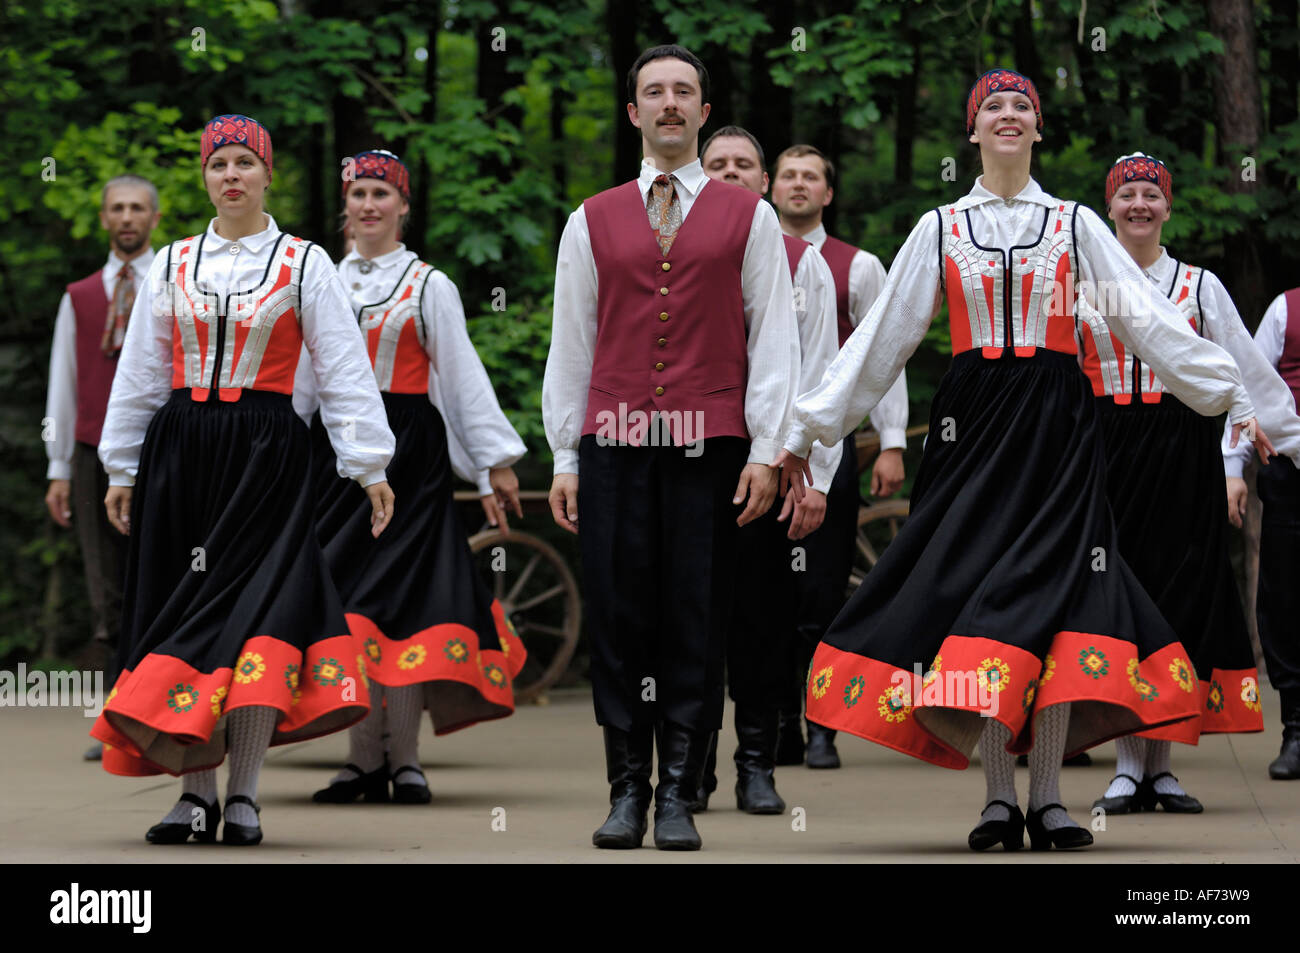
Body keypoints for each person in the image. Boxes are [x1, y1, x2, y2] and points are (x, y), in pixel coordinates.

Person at [775, 69, 1273, 851]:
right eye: (992, 108)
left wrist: (1233, 397)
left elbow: (1146, 321)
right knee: (978, 601)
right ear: (973, 131)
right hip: (972, 427)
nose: (1008, 116)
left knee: (1060, 605)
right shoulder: (941, 226)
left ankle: (1049, 798)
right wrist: (805, 431)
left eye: (1022, 108)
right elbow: (879, 344)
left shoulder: (1075, 222)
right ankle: (998, 798)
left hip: (1059, 427)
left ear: (1037, 131)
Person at [90, 114, 396, 846]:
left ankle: (247, 792)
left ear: (267, 174)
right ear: (204, 177)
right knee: (186, 611)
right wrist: (122, 464)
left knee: (258, 617)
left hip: (266, 456)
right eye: (217, 163)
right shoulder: (170, 263)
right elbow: (141, 370)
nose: (231, 175)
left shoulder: (304, 262)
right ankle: (196, 796)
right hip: (183, 452)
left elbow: (343, 365)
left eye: (244, 163)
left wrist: (367, 463)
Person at [543, 44, 799, 850]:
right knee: (621, 618)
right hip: (615, 444)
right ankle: (626, 789)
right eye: (654, 92)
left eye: (684, 91)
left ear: (700, 108)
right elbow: (572, 344)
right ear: (634, 113)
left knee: (694, 616)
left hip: (711, 447)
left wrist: (768, 449)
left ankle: (680, 792)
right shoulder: (591, 218)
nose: (669, 104)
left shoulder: (749, 215)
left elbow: (776, 340)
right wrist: (564, 456)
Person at [304, 149, 527, 805]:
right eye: (359, 193)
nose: (369, 204)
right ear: (344, 206)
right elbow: (299, 383)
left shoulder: (430, 285)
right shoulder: (316, 281)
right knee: (346, 605)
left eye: (381, 193)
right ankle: (360, 759)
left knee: (400, 606)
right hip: (335, 454)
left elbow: (459, 379)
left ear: (403, 205)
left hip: (410, 455)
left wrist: (492, 464)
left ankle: (403, 759)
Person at [1080, 153, 1300, 812]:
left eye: (1151, 194)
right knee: (1118, 599)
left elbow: (1242, 364)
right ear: (1109, 208)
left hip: (1182, 449)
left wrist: (1277, 431)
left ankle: (1164, 765)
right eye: (1128, 196)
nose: (1140, 205)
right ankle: (1125, 764)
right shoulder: (1083, 280)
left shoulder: (1200, 285)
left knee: (1178, 598)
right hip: (1107, 445)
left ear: (1167, 208)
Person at [694, 125, 841, 813]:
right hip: (691, 454)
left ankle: (758, 762)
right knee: (690, 620)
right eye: (715, 163)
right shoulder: (677, 253)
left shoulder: (799, 260)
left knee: (762, 619)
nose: (729, 173)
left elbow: (820, 377)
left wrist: (809, 471)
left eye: (743, 164)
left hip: (773, 463)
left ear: (763, 183)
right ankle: (690, 766)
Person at [770, 144, 910, 769]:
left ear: (828, 193)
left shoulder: (859, 267)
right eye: (788, 175)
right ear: (772, 188)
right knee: (762, 594)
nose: (798, 185)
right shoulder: (749, 257)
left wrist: (894, 440)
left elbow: (887, 356)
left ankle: (822, 721)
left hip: (832, 453)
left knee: (821, 591)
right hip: (758, 454)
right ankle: (774, 725)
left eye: (811, 177)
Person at [44, 176, 160, 760]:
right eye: (117, 208)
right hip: (93, 452)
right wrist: (59, 465)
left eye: (138, 207)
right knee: (106, 587)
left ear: (155, 218)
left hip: (163, 449)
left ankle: (168, 707)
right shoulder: (82, 295)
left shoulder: (175, 282)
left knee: (165, 574)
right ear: (103, 218)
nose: (127, 217)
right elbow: (62, 383)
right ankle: (118, 714)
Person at [1225, 288, 1300, 779]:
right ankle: (1297, 728)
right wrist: (1233, 468)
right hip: (1292, 473)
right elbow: (1247, 389)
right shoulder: (1286, 308)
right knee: (1287, 597)